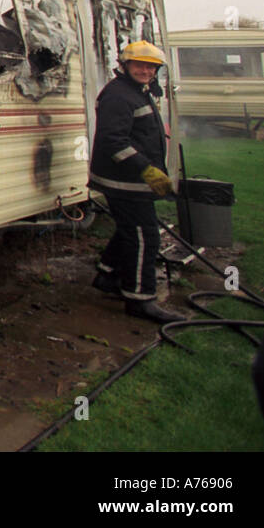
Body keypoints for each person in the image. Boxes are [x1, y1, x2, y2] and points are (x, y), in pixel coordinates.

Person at [88, 40, 182, 323]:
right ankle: (140, 299)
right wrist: (147, 171)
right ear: (125, 65)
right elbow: (114, 142)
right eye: (140, 65)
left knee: (131, 230)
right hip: (124, 182)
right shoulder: (119, 96)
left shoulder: (136, 91)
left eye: (151, 67)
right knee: (145, 237)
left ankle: (108, 276)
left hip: (131, 181)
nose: (146, 71)